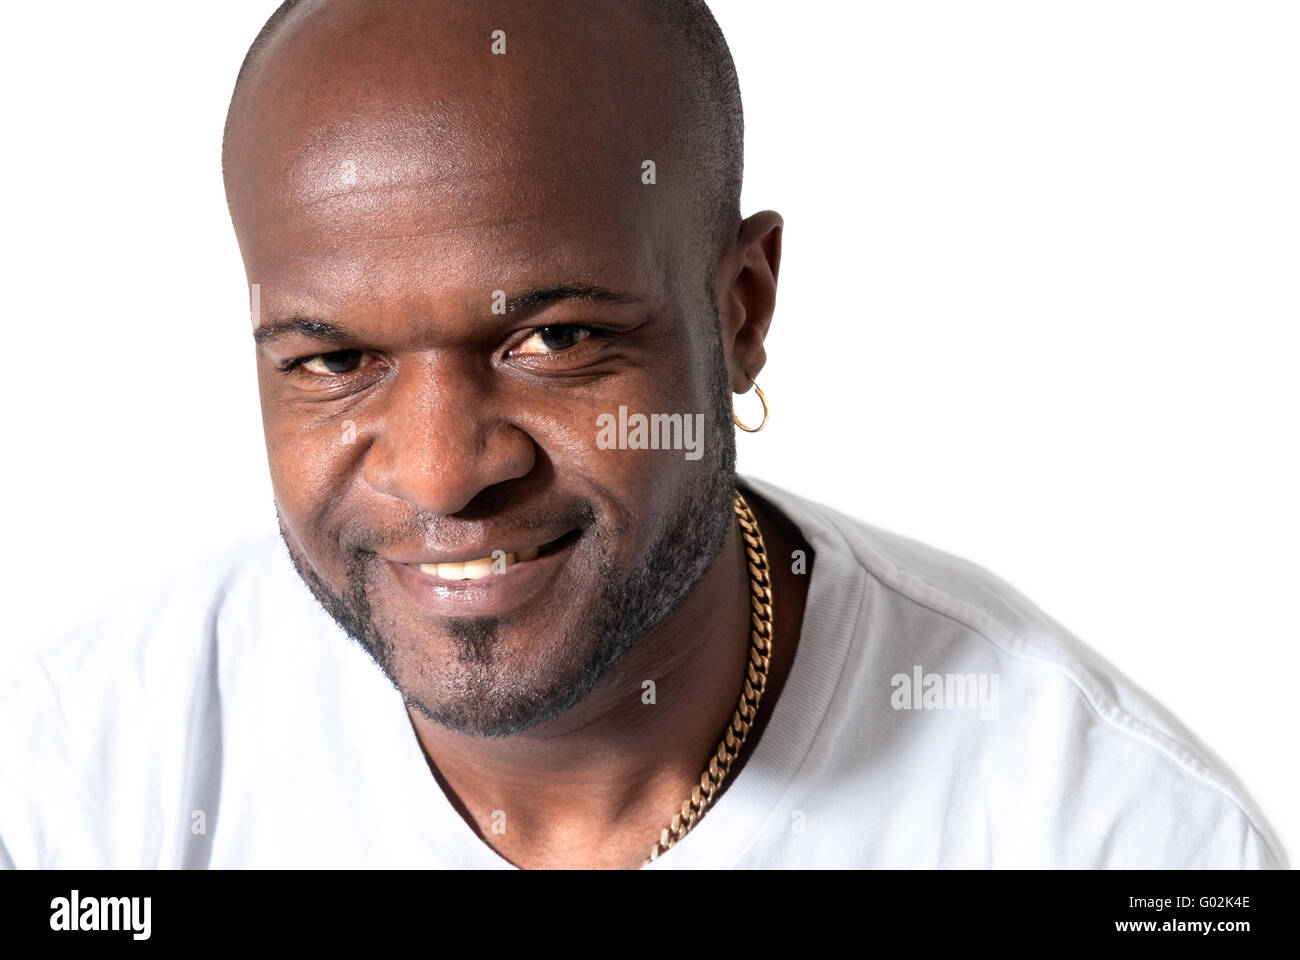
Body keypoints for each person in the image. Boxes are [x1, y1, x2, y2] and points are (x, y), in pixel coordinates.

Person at [0, 0, 1286, 870]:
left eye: (553, 340)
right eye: (334, 361)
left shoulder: (1110, 837)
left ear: (738, 309)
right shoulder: (85, 785)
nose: (443, 471)